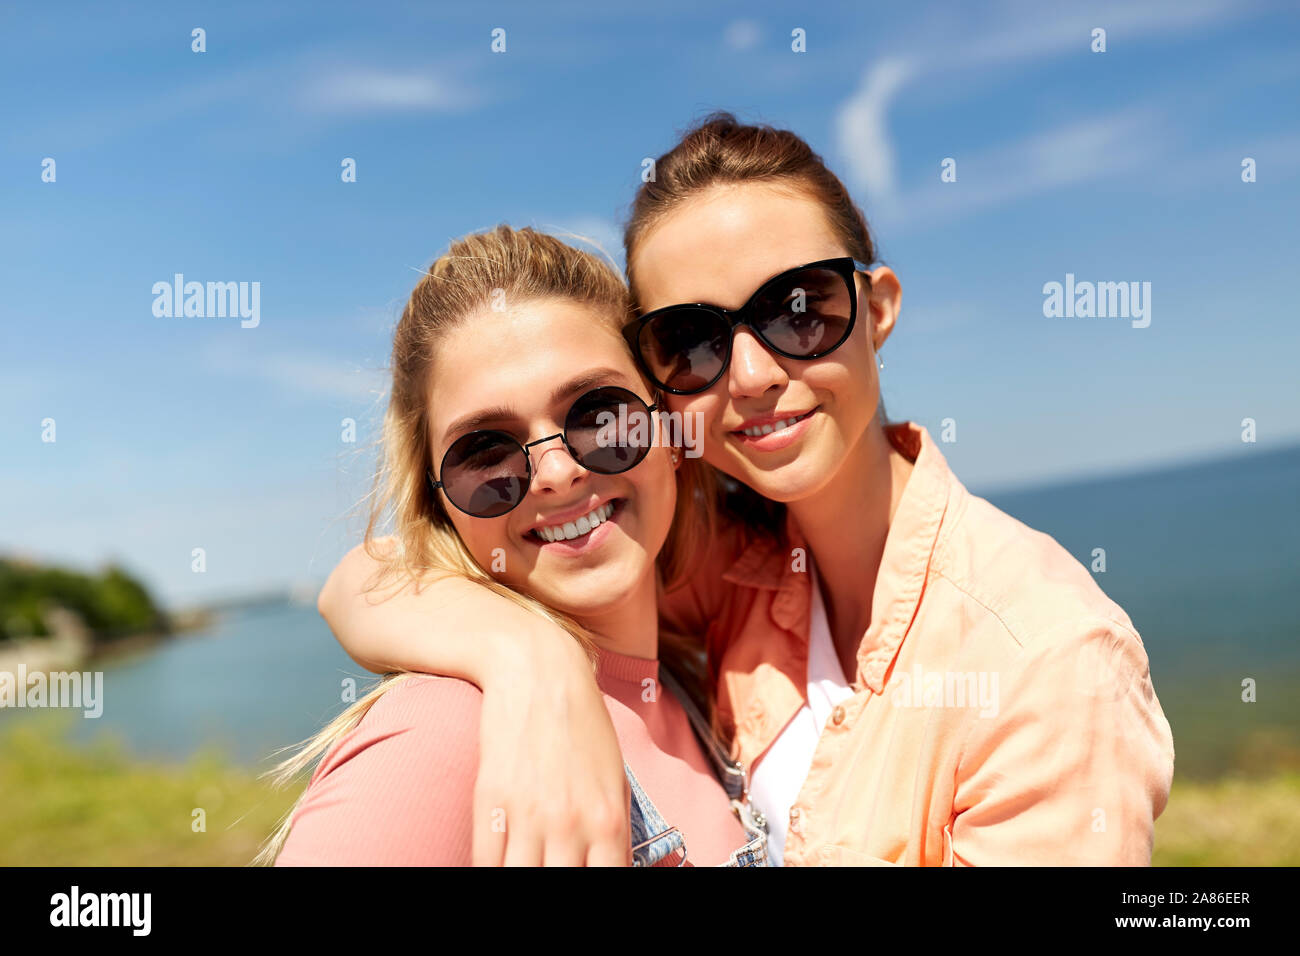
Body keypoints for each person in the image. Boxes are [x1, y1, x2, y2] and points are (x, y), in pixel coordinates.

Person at [319, 114, 1176, 866]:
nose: (756, 374)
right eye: (692, 340)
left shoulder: (1046, 661)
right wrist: (527, 662)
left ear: (877, 308)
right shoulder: (713, 570)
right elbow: (367, 577)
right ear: (663, 392)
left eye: (801, 310)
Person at [261, 225, 769, 867]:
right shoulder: (440, 735)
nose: (557, 472)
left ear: (667, 428)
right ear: (438, 501)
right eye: (486, 453)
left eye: (598, 415)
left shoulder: (690, 690)